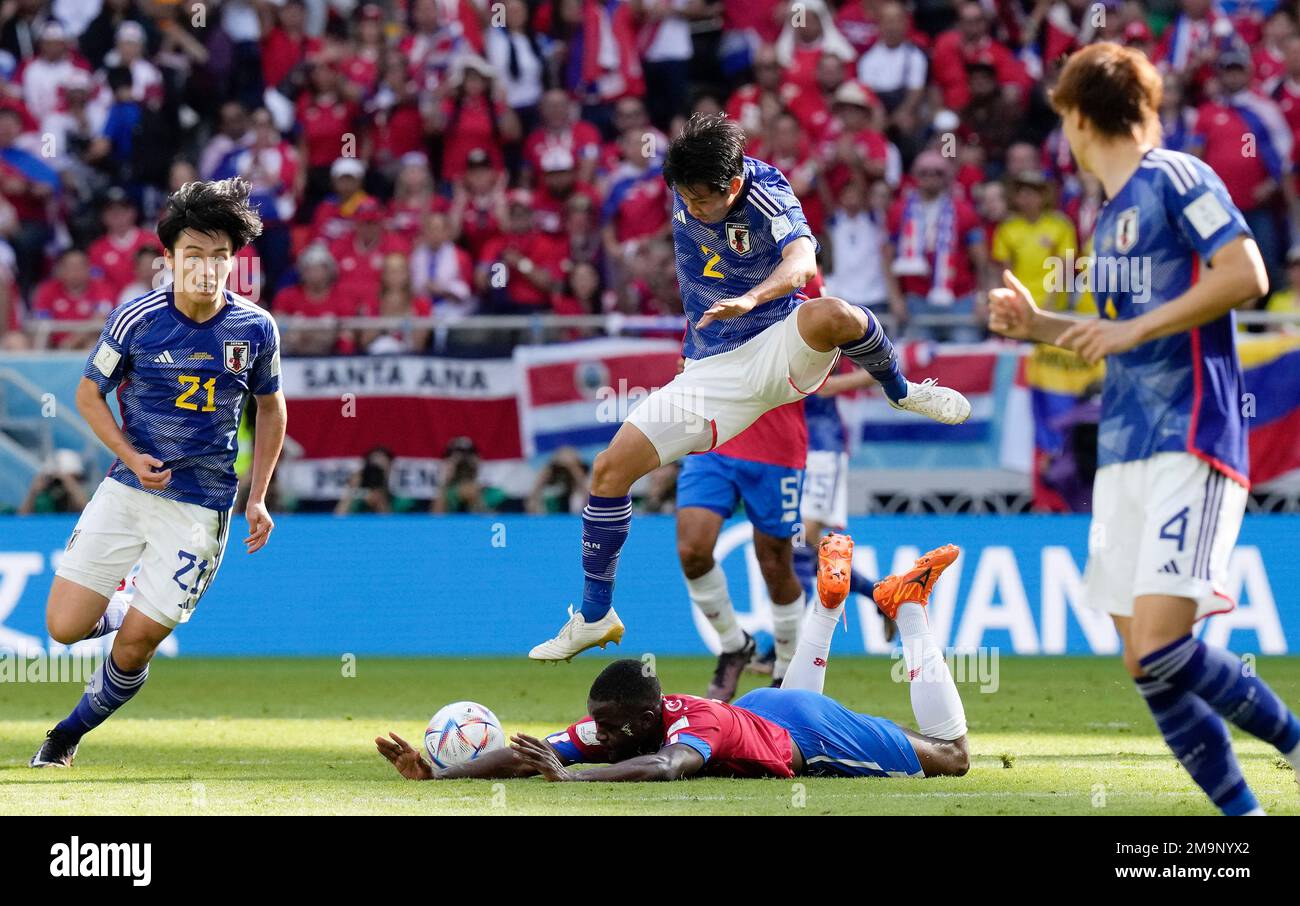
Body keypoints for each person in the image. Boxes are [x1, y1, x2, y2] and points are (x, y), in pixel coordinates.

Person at [528, 113, 971, 662]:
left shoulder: (765, 191)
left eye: (702, 200)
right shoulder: (689, 184)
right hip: (708, 372)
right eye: (682, 197)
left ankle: (901, 390)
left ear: (732, 185)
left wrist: (751, 298)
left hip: (778, 345)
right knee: (608, 470)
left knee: (832, 313)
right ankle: (596, 616)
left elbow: (803, 261)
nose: (690, 208)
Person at [988, 42, 1300, 815]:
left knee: (1164, 644)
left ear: (1079, 115)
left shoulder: (1178, 175)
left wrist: (1126, 333)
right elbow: (1117, 335)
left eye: (1061, 117)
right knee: (1144, 662)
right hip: (1124, 451)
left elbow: (1246, 273)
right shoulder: (1111, 216)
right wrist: (1038, 326)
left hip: (1190, 437)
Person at [30, 178, 286, 768]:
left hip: (201, 506)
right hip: (127, 489)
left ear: (233, 263)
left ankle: (64, 737)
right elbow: (89, 393)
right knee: (65, 628)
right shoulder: (136, 320)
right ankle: (126, 603)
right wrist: (126, 451)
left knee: (137, 645)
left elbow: (271, 407)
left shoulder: (255, 329)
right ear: (167, 259)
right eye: (193, 254)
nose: (206, 266)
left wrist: (259, 497)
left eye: (219, 255)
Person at [376, 542, 969, 782]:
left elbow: (665, 768)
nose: (599, 735)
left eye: (609, 727)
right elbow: (532, 751)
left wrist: (574, 779)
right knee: (805, 704)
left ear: (646, 715)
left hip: (803, 730)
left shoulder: (690, 729)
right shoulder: (625, 721)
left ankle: (906, 608)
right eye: (599, 724)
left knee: (953, 757)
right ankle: (827, 609)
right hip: (770, 712)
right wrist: (438, 777)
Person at [675, 403, 808, 701]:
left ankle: (786, 670)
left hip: (775, 447)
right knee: (691, 551)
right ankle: (734, 645)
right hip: (712, 441)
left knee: (775, 565)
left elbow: (826, 362)